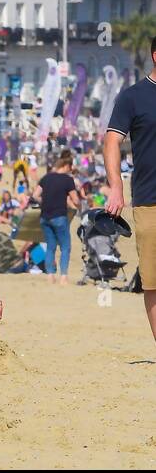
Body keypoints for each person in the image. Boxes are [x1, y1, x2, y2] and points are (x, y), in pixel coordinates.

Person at [104, 42, 156, 344]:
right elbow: (112, 141)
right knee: (153, 281)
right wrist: (116, 187)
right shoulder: (133, 97)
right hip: (150, 201)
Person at [34, 151, 80, 286]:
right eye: (70, 168)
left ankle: (50, 276)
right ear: (66, 166)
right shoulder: (67, 180)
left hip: (44, 217)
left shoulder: (46, 178)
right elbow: (75, 200)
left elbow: (35, 195)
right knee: (65, 247)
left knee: (50, 247)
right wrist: (79, 205)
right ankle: (63, 277)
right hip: (59, 216)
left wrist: (45, 201)